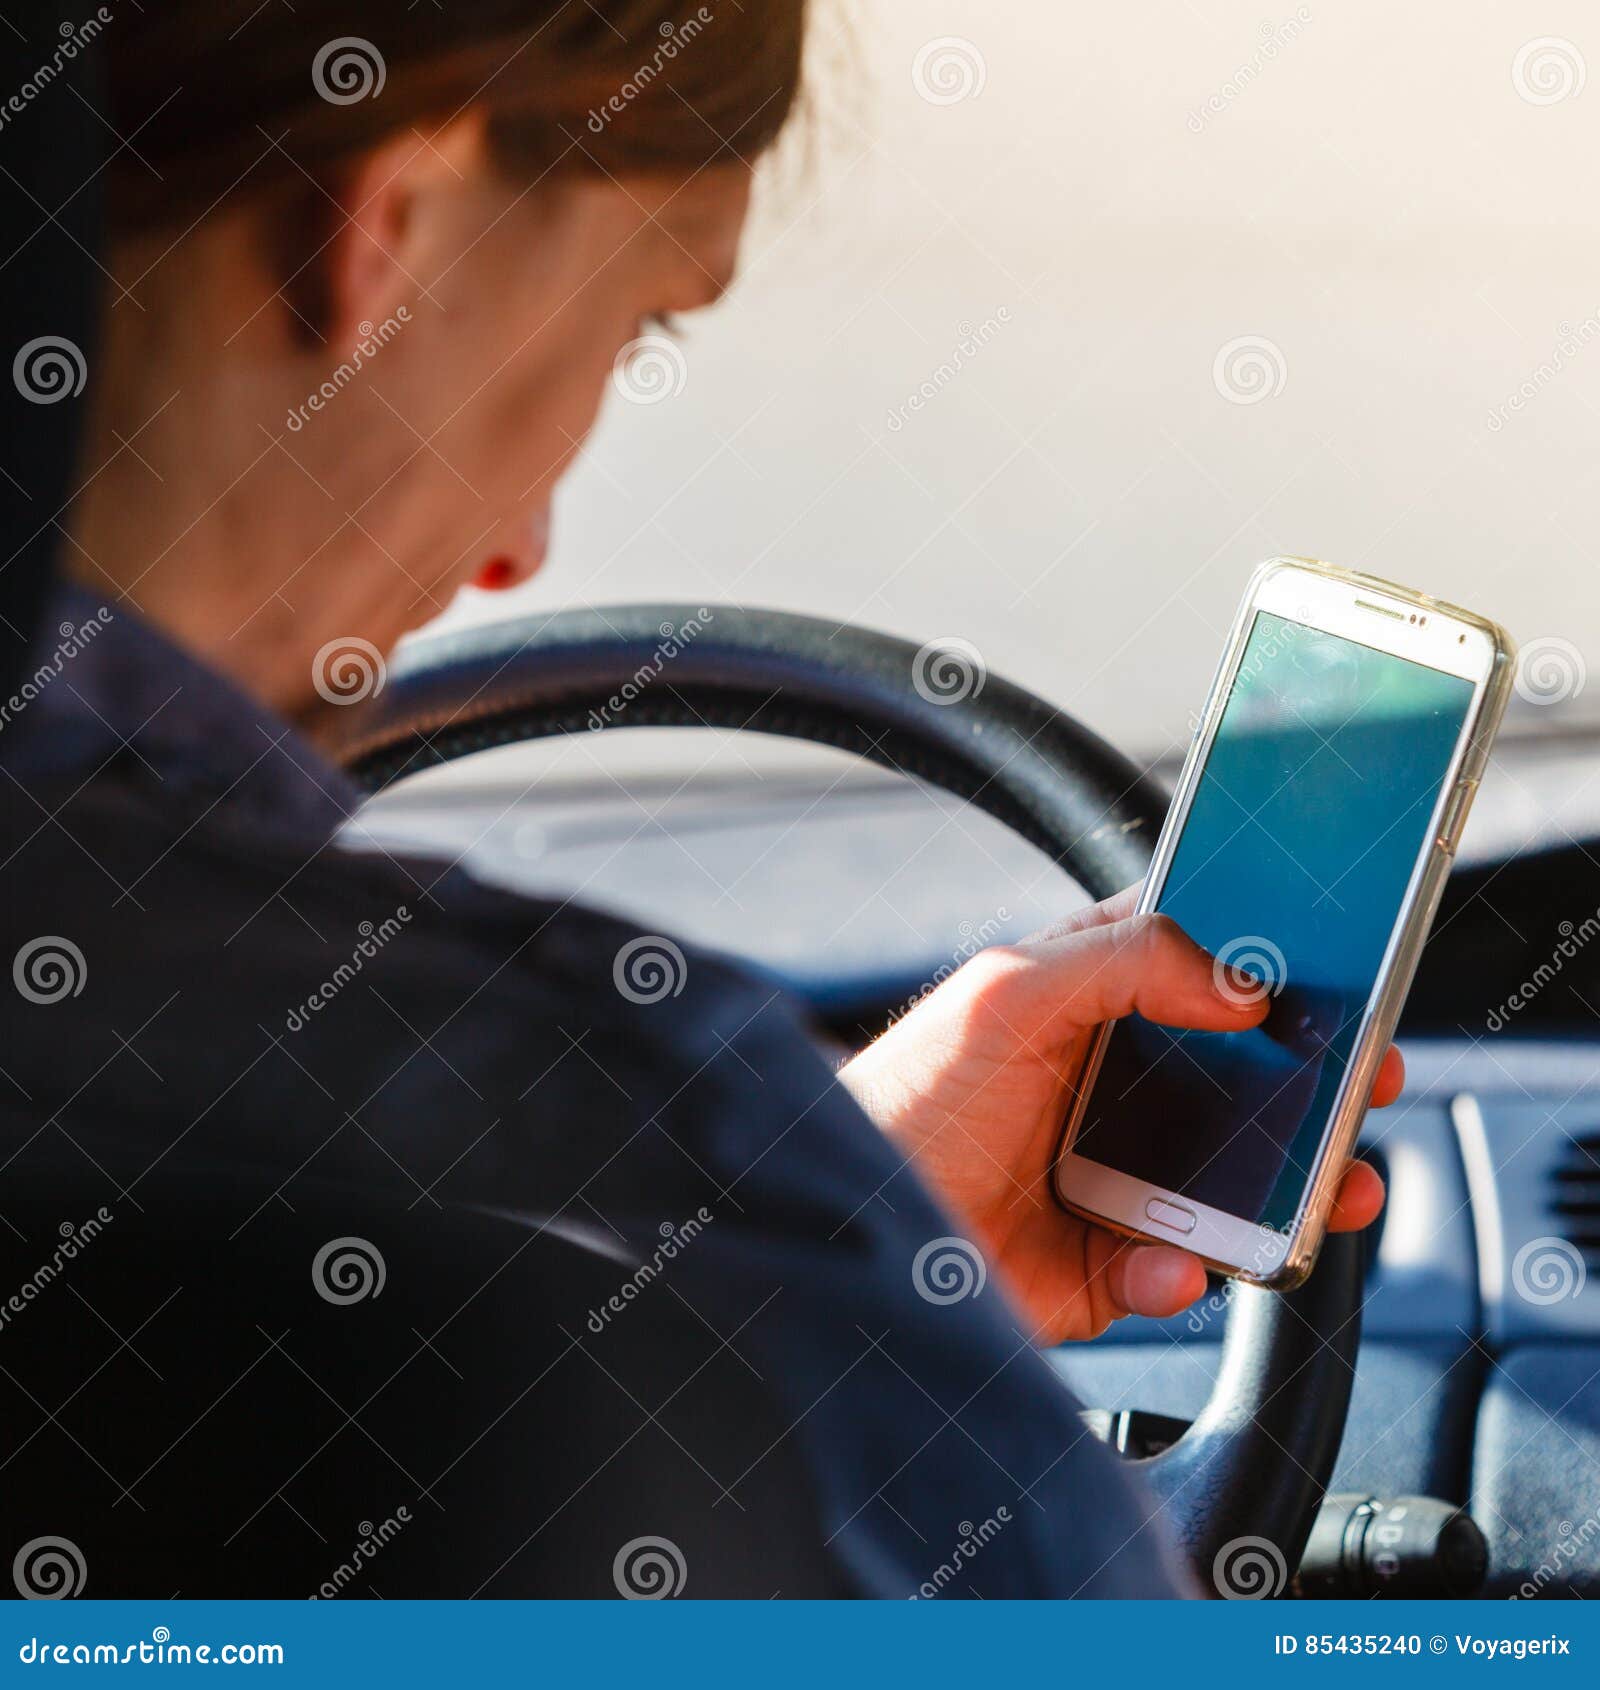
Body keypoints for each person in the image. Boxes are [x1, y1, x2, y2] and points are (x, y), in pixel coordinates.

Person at [0, 1, 1388, 1597]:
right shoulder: (652, 1127)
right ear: (394, 231)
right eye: (638, 326)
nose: (522, 550)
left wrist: (810, 1242)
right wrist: (799, 1260)